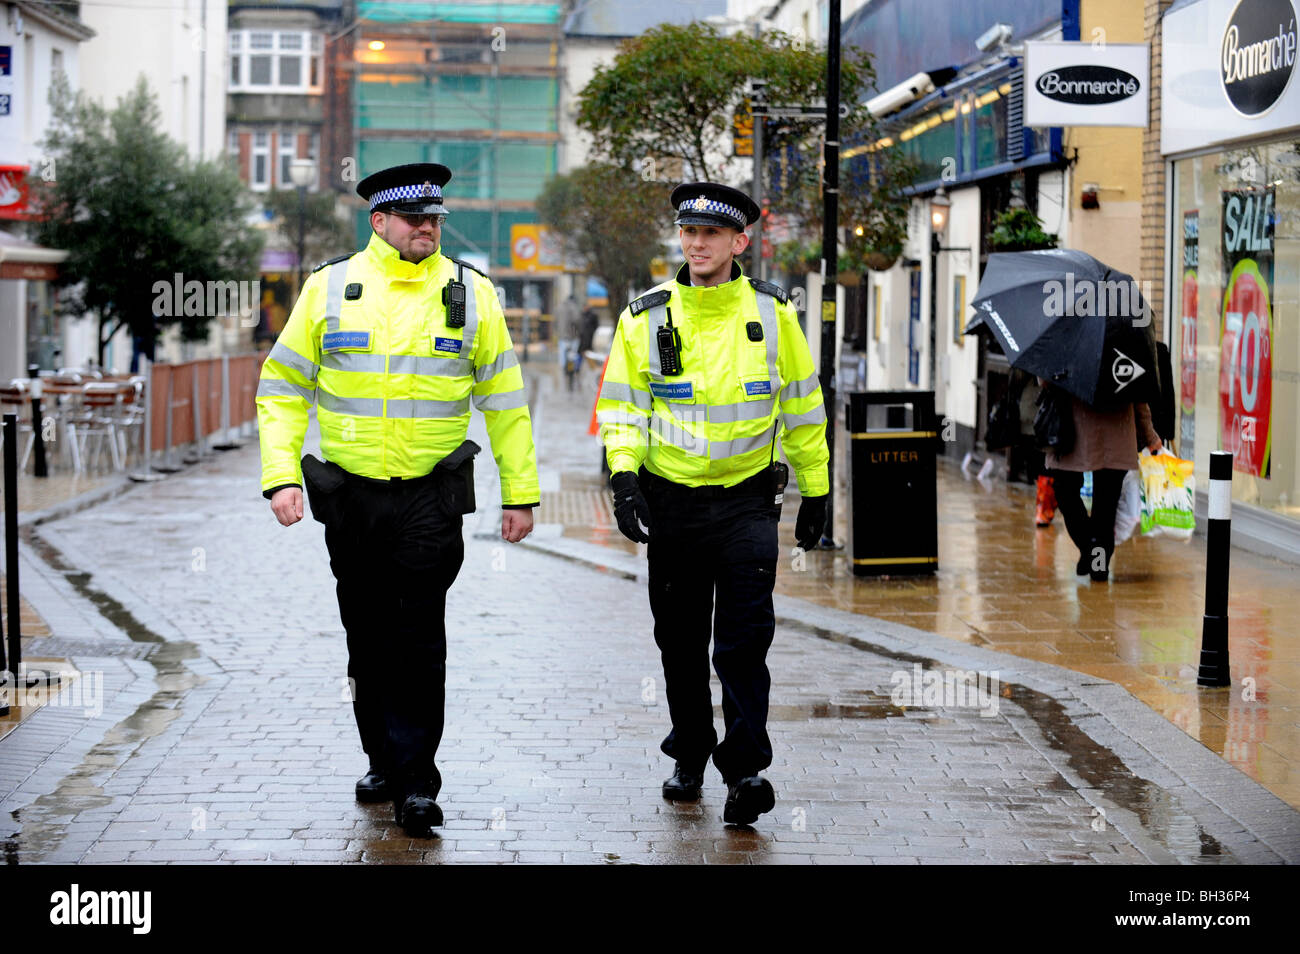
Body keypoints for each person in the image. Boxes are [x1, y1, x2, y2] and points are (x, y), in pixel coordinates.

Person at [256, 162, 539, 837]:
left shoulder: (473, 295)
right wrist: (281, 476)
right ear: (378, 221)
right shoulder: (329, 289)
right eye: (413, 219)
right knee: (367, 641)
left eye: (434, 218)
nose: (426, 228)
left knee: (419, 639)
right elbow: (284, 388)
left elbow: (504, 402)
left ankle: (417, 782)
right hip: (351, 499)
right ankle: (382, 757)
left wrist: (520, 492)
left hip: (430, 499)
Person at [596, 182, 829, 826]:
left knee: (744, 641)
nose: (696, 243)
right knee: (679, 641)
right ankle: (691, 751)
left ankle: (747, 769)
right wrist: (624, 480)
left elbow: (805, 410)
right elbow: (621, 410)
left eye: (710, 234)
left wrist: (818, 490)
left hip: (749, 503)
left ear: (739, 242)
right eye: (688, 232)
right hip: (671, 504)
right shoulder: (644, 317)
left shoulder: (774, 314)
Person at [1043, 383, 1161, 582]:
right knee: (1098, 508)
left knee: (1090, 504)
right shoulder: (1127, 350)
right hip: (1084, 431)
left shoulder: (1065, 351)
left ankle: (1096, 561)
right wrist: (1148, 434)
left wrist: (1149, 434)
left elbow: (1045, 381)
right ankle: (1094, 556)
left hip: (1082, 430)